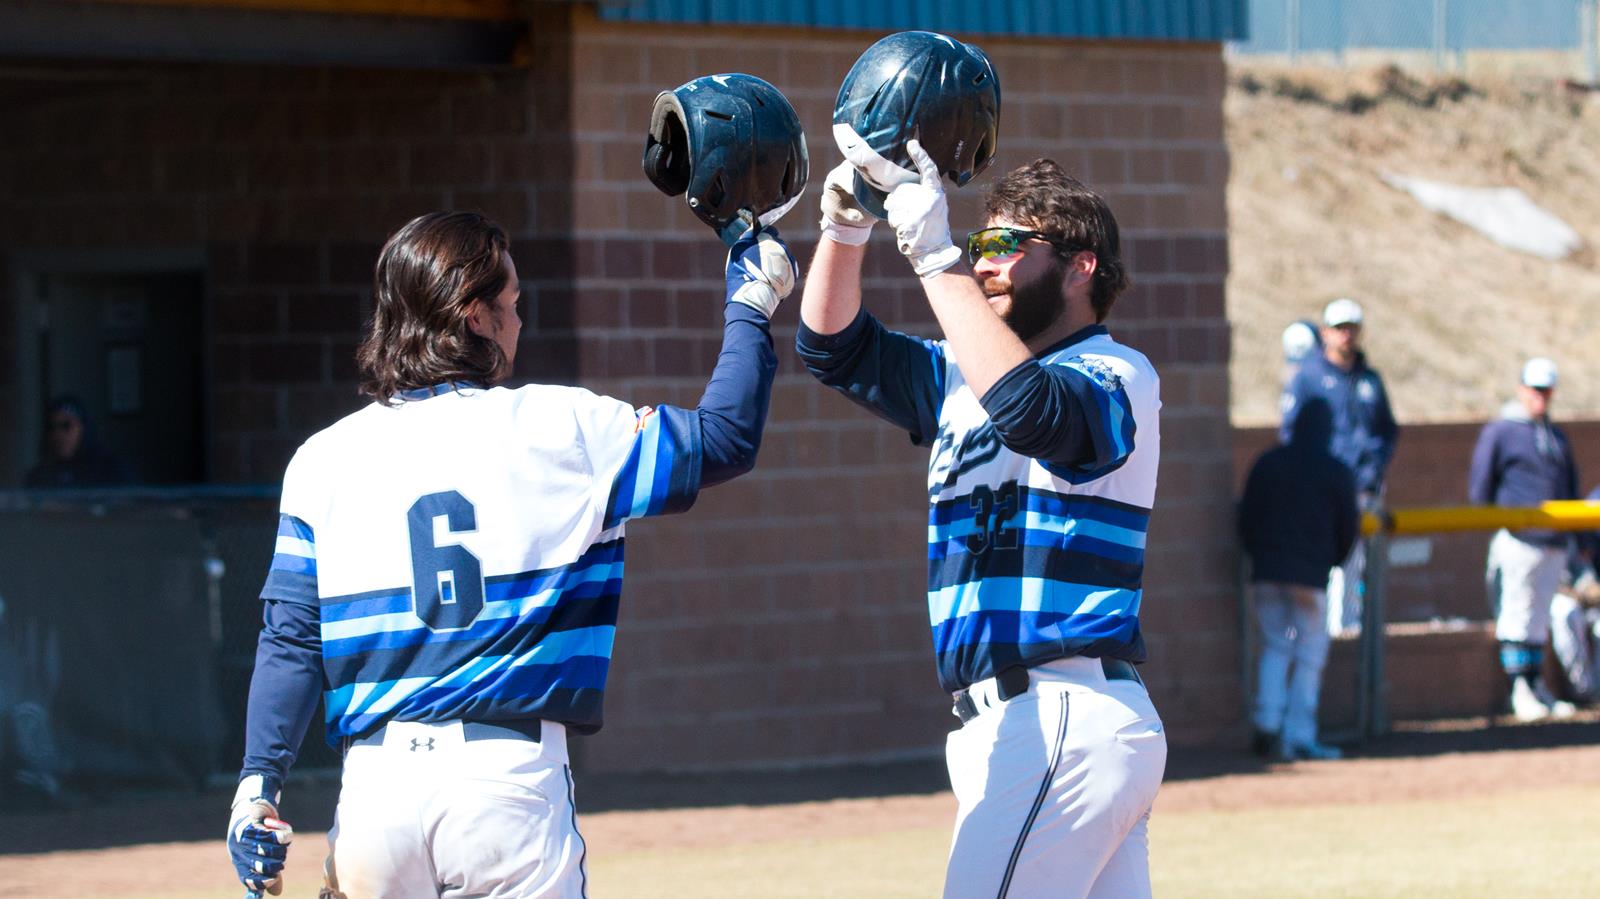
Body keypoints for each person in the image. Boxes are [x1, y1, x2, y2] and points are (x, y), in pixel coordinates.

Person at [225, 211, 796, 898]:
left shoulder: (320, 459)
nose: (520, 321)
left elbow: (289, 641)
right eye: (513, 304)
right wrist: (752, 299)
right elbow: (725, 438)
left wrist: (256, 787)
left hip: (376, 794)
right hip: (505, 782)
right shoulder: (564, 426)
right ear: (475, 315)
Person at [798, 141, 1165, 899]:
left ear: (1080, 265)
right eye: (978, 245)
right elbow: (830, 347)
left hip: (1062, 710)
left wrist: (937, 256)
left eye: (1004, 244)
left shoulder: (1116, 371)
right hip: (1019, 726)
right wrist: (845, 228)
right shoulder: (959, 375)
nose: (985, 261)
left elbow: (1035, 412)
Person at [1239, 397, 1359, 761]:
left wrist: (1258, 556)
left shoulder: (1268, 461)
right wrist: (1330, 562)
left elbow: (1246, 517)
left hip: (1266, 572)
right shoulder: (1334, 469)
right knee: (1309, 652)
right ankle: (1299, 735)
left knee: (1276, 645)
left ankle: (1268, 724)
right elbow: (1348, 529)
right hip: (1308, 575)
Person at [1279, 298, 1398, 636]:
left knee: (1357, 571)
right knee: (1327, 571)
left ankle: (1349, 636)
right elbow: (1289, 432)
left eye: (1351, 328)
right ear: (1325, 332)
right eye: (1339, 328)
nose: (1346, 335)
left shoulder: (1370, 379)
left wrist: (1374, 467)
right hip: (1321, 493)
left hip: (1363, 490)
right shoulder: (1308, 378)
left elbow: (1386, 430)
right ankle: (1326, 635)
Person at [1469, 357, 1579, 722]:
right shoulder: (1502, 430)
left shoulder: (1554, 434)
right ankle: (1520, 690)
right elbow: (1481, 484)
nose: (1541, 397)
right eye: (1535, 389)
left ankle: (1536, 686)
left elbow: (1569, 485)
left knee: (1538, 618)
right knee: (1516, 614)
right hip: (1518, 537)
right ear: (1521, 389)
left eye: (1546, 390)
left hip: (1552, 540)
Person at [23, 396, 134, 488]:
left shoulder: (110, 469)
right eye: (52, 427)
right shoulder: (40, 476)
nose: (58, 434)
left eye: (66, 426)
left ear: (83, 428)